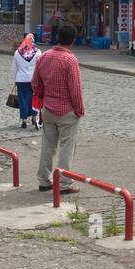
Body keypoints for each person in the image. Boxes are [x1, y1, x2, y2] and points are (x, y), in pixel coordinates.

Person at [32, 22, 85, 193]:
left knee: (48, 146)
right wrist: (79, 110)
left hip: (48, 109)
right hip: (67, 111)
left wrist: (43, 99)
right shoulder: (70, 60)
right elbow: (75, 89)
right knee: (67, 148)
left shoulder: (44, 56)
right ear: (73, 41)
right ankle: (64, 183)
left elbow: (35, 83)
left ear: (57, 37)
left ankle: (43, 180)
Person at [13, 34, 42, 130]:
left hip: (21, 79)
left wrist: (16, 79)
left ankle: (24, 120)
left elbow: (15, 68)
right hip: (34, 79)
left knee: (23, 100)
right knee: (34, 99)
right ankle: (34, 118)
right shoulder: (37, 52)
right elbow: (40, 67)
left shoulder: (18, 52)